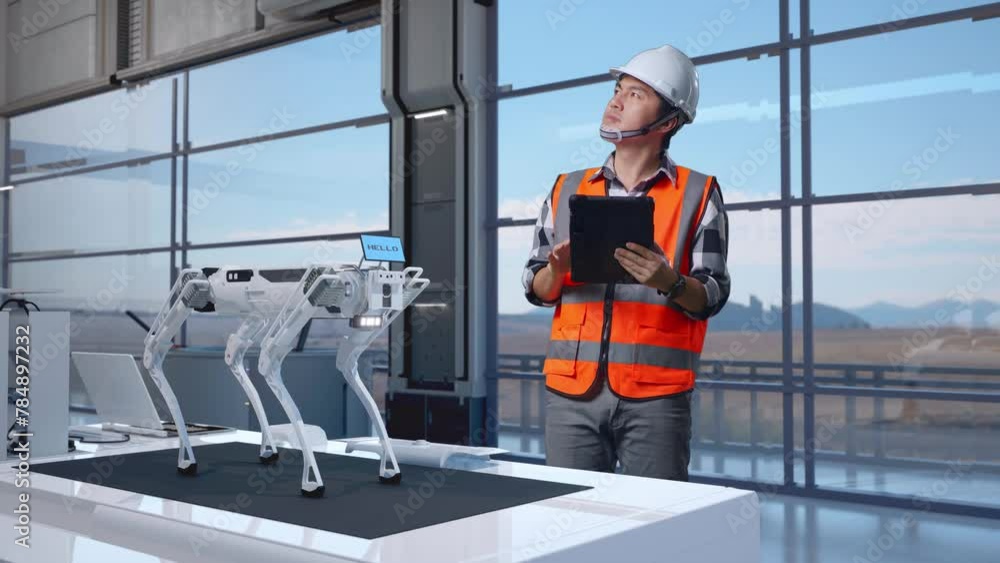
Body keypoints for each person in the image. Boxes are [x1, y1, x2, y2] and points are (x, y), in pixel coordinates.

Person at [521, 45, 731, 481]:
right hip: (570, 394)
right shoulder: (566, 189)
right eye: (618, 90)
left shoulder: (698, 193)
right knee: (570, 531)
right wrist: (555, 274)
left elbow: (711, 293)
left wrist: (669, 281)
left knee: (653, 533)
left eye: (636, 95)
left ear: (668, 121)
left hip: (656, 399)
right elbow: (533, 286)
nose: (615, 101)